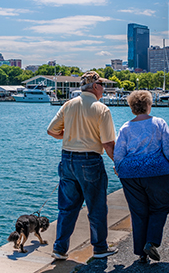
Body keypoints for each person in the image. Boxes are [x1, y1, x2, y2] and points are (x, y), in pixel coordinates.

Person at [47, 71, 118, 260]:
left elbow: (51, 130)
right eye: (102, 85)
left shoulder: (68, 105)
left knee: (67, 207)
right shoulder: (101, 109)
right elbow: (108, 144)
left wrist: (69, 134)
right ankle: (100, 248)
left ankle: (60, 249)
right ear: (95, 86)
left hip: (67, 159)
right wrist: (120, 164)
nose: (103, 88)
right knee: (96, 207)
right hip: (89, 161)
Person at [114, 90, 169, 264]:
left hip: (130, 175)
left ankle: (141, 253)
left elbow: (119, 153)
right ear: (148, 105)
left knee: (138, 212)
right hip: (157, 172)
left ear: (132, 108)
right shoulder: (159, 123)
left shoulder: (125, 127)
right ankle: (151, 242)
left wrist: (119, 168)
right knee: (160, 207)